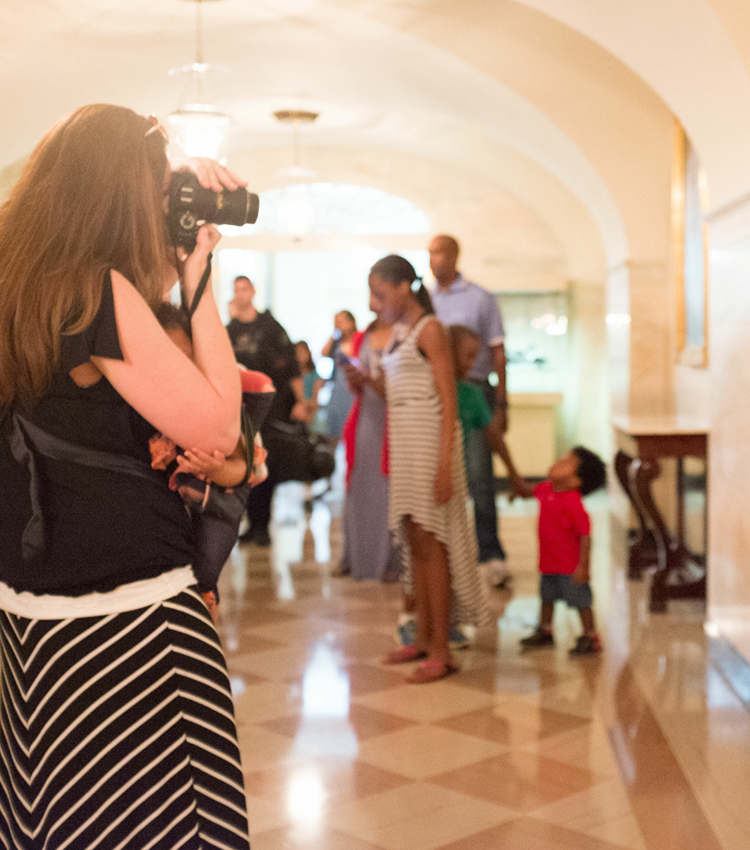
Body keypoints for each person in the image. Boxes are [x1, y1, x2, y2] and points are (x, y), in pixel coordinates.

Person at [0, 105, 250, 847]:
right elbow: (216, 428)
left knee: (58, 818)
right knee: (172, 822)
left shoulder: (17, 289)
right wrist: (198, 275)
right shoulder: (93, 289)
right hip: (130, 628)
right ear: (122, 193)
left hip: (28, 626)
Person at [373, 255, 488, 684]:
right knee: (414, 539)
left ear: (404, 287)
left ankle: (442, 647)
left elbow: (448, 400)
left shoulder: (431, 329)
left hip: (429, 443)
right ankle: (422, 636)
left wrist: (445, 465)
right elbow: (401, 389)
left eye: (379, 293)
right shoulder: (401, 333)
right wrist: (370, 384)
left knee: (432, 540)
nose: (374, 303)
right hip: (405, 439)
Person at [429, 234, 510, 588]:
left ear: (456, 255)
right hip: (434, 394)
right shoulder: (426, 299)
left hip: (474, 389)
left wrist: (504, 401)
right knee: (441, 472)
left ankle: (491, 553)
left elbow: (498, 351)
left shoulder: (480, 297)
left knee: (478, 474)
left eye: (441, 252)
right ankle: (445, 554)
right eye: (430, 253)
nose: (435, 259)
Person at [226, 274, 306, 546]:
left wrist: (300, 401)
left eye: (244, 288)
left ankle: (263, 525)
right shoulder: (230, 331)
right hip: (239, 410)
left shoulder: (271, 327)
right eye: (236, 289)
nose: (241, 294)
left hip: (272, 409)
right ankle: (251, 523)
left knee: (266, 463)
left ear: (253, 292)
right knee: (245, 462)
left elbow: (293, 366)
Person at [514, 447, 607, 656]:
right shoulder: (547, 489)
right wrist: (517, 486)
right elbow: (529, 490)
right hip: (548, 563)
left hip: (569, 567)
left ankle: (591, 636)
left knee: (581, 601)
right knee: (547, 598)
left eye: (566, 463)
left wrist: (583, 566)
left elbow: (585, 537)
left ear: (576, 482)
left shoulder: (574, 505)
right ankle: (546, 630)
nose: (557, 463)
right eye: (561, 459)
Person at [337, 291, 401, 582]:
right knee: (361, 485)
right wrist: (356, 380)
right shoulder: (364, 335)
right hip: (367, 417)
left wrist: (373, 382)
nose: (374, 300)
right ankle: (357, 556)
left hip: (395, 419)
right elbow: (360, 384)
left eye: (379, 291)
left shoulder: (404, 334)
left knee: (389, 488)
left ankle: (390, 560)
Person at [321, 310, 362, 442]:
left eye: (341, 321)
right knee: (333, 431)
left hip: (352, 391)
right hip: (338, 390)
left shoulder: (359, 339)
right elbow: (324, 352)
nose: (339, 325)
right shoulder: (337, 341)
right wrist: (334, 332)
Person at [295, 339, 326, 428]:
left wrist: (310, 406)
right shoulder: (295, 374)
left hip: (311, 411)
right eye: (298, 352)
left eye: (303, 352)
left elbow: (315, 399)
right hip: (300, 410)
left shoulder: (314, 374)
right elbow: (299, 398)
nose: (300, 355)